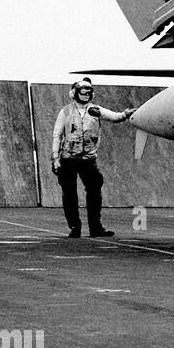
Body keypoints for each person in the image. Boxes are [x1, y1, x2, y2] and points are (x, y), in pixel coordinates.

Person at [50, 78, 135, 238]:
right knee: (69, 195)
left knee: (94, 192)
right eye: (82, 91)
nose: (86, 94)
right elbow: (57, 135)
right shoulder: (65, 111)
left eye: (88, 92)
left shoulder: (95, 110)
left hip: (88, 159)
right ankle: (75, 227)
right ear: (74, 93)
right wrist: (55, 158)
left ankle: (95, 228)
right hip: (68, 159)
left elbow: (115, 117)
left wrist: (126, 114)